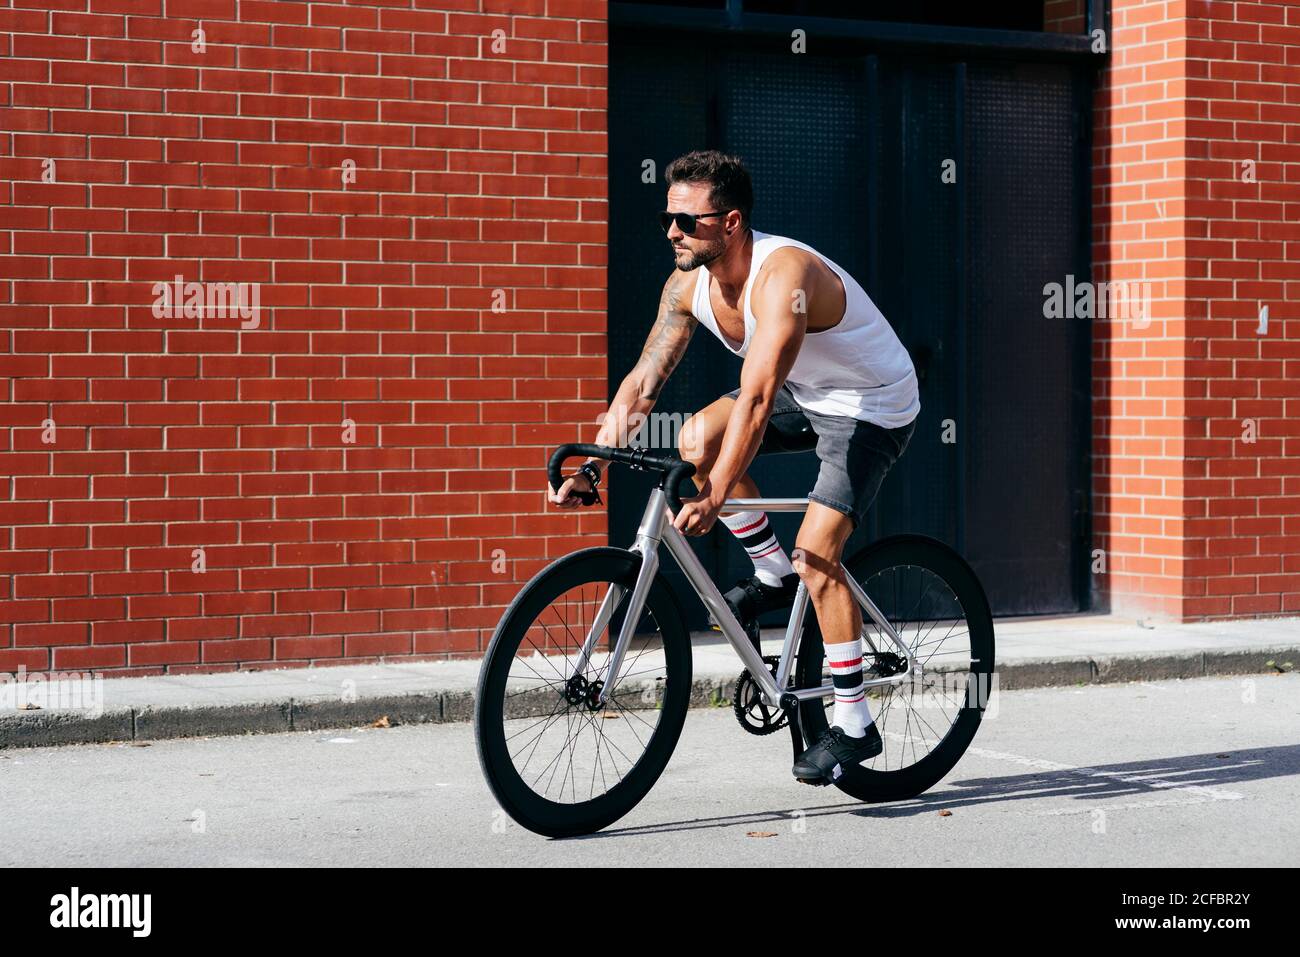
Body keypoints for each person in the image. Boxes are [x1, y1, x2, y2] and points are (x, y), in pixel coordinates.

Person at [548, 150, 919, 785]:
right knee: (694, 439)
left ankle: (855, 724)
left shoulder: (785, 277)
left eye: (687, 222)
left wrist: (718, 494)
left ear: (731, 222)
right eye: (668, 219)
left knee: (818, 555)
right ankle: (770, 573)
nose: (672, 233)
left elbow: (757, 397)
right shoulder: (686, 284)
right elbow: (644, 383)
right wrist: (596, 462)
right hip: (807, 393)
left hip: (871, 406)